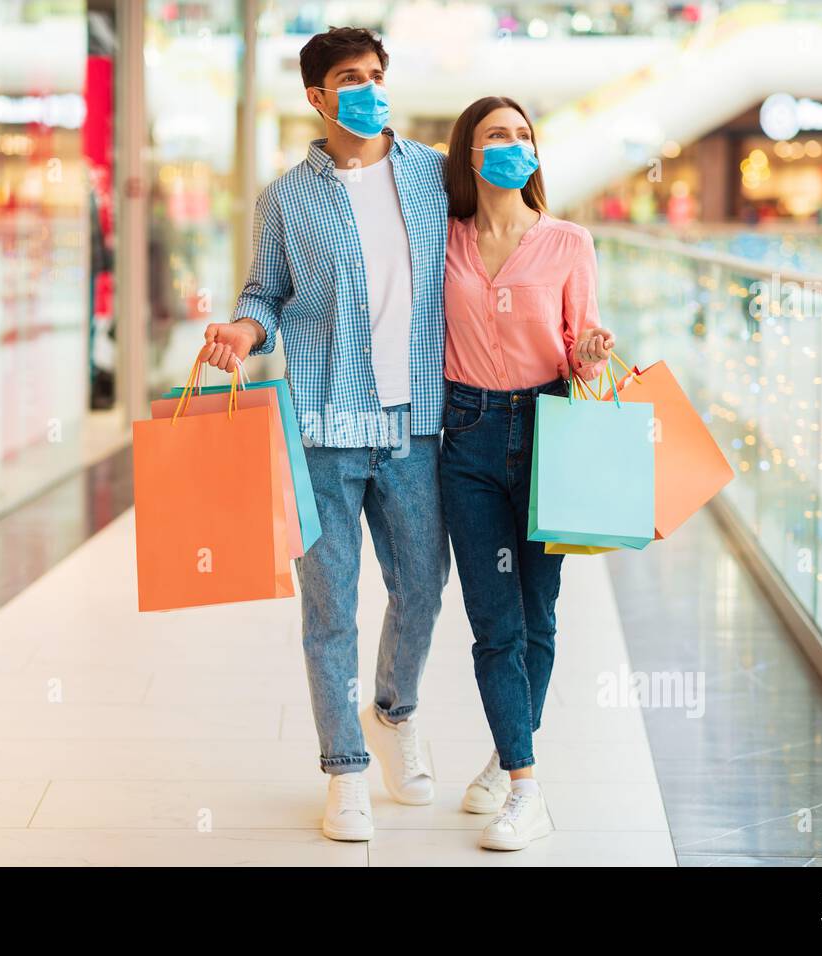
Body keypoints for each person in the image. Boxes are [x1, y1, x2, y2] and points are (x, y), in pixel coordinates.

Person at [200, 27, 450, 843]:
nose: (369, 88)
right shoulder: (286, 199)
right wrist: (245, 329)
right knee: (330, 609)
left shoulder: (433, 177)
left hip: (415, 421)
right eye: (351, 77)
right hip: (322, 425)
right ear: (317, 95)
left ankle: (393, 712)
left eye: (377, 74)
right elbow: (265, 292)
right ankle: (344, 769)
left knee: (421, 588)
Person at [438, 96, 614, 851]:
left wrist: (592, 354)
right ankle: (527, 789)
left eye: (521, 135)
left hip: (549, 429)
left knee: (538, 615)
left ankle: (510, 760)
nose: (512, 145)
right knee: (493, 625)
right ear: (469, 155)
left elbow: (578, 348)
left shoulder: (569, 242)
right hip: (469, 437)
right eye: (494, 136)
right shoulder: (441, 240)